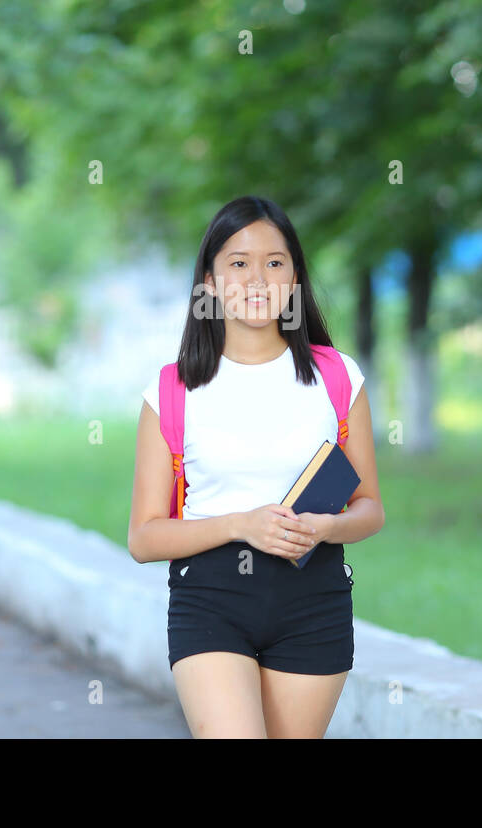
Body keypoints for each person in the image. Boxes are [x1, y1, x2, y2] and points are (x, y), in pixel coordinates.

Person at [129, 195, 385, 738]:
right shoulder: (172, 390)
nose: (257, 279)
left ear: (294, 277)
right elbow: (144, 538)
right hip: (211, 600)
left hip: (313, 599)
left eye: (274, 262)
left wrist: (327, 526)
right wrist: (241, 524)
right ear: (210, 282)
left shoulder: (337, 377)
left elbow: (370, 510)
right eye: (238, 263)